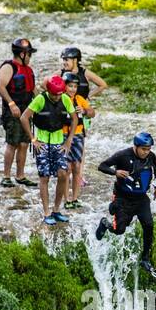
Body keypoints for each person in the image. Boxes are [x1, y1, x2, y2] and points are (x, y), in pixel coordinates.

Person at [94, 132, 156, 274]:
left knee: (149, 225)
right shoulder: (123, 155)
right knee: (120, 230)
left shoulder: (151, 156)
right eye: (143, 149)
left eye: (148, 149)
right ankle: (105, 223)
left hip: (141, 198)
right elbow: (102, 166)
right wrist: (115, 172)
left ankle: (145, 258)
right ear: (136, 146)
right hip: (122, 198)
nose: (146, 152)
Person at [20, 74, 78, 226]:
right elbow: (24, 118)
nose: (57, 98)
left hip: (59, 142)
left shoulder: (64, 98)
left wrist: (69, 139)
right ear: (49, 92)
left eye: (59, 95)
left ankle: (56, 210)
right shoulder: (40, 99)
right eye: (54, 95)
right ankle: (46, 213)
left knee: (63, 174)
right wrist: (33, 139)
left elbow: (74, 118)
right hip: (43, 143)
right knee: (44, 177)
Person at [59, 47, 107, 197]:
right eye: (64, 60)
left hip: (82, 111)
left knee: (80, 144)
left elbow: (103, 84)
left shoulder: (85, 73)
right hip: (65, 116)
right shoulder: (61, 74)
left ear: (75, 60)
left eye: (67, 59)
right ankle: (69, 174)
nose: (64, 62)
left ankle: (79, 175)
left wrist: (88, 97)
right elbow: (44, 84)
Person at [0, 37, 37, 188]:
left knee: (24, 143)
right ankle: (6, 176)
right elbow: (0, 86)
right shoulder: (8, 67)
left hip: (27, 111)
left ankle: (20, 176)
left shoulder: (28, 69)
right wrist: (12, 104)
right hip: (13, 112)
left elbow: (32, 89)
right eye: (29, 54)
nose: (30, 57)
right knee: (12, 143)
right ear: (22, 54)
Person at [61, 71, 94, 210]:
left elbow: (92, 112)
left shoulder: (80, 99)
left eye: (75, 86)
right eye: (70, 86)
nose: (72, 89)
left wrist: (85, 111)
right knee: (66, 168)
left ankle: (75, 198)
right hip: (63, 136)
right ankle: (66, 199)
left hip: (78, 135)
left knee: (76, 167)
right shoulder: (60, 99)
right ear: (64, 86)